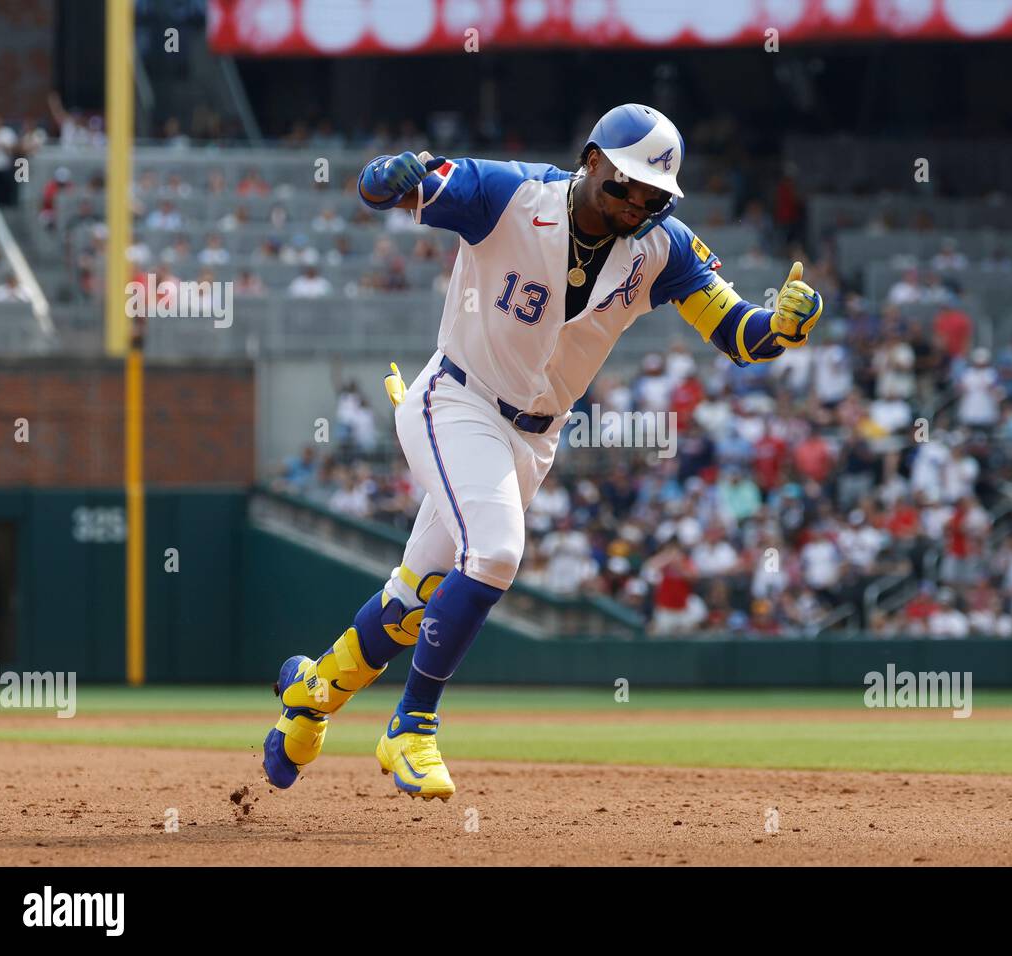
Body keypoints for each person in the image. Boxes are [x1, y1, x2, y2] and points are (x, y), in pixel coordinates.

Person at [261, 104, 823, 799]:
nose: (637, 203)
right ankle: (412, 727)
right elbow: (384, 189)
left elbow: (741, 335)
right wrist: (387, 173)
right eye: (625, 184)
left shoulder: (663, 246)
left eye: (653, 195)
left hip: (535, 438)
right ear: (592, 162)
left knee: (415, 601)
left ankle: (311, 691)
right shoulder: (509, 195)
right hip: (456, 401)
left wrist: (783, 324)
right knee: (495, 554)